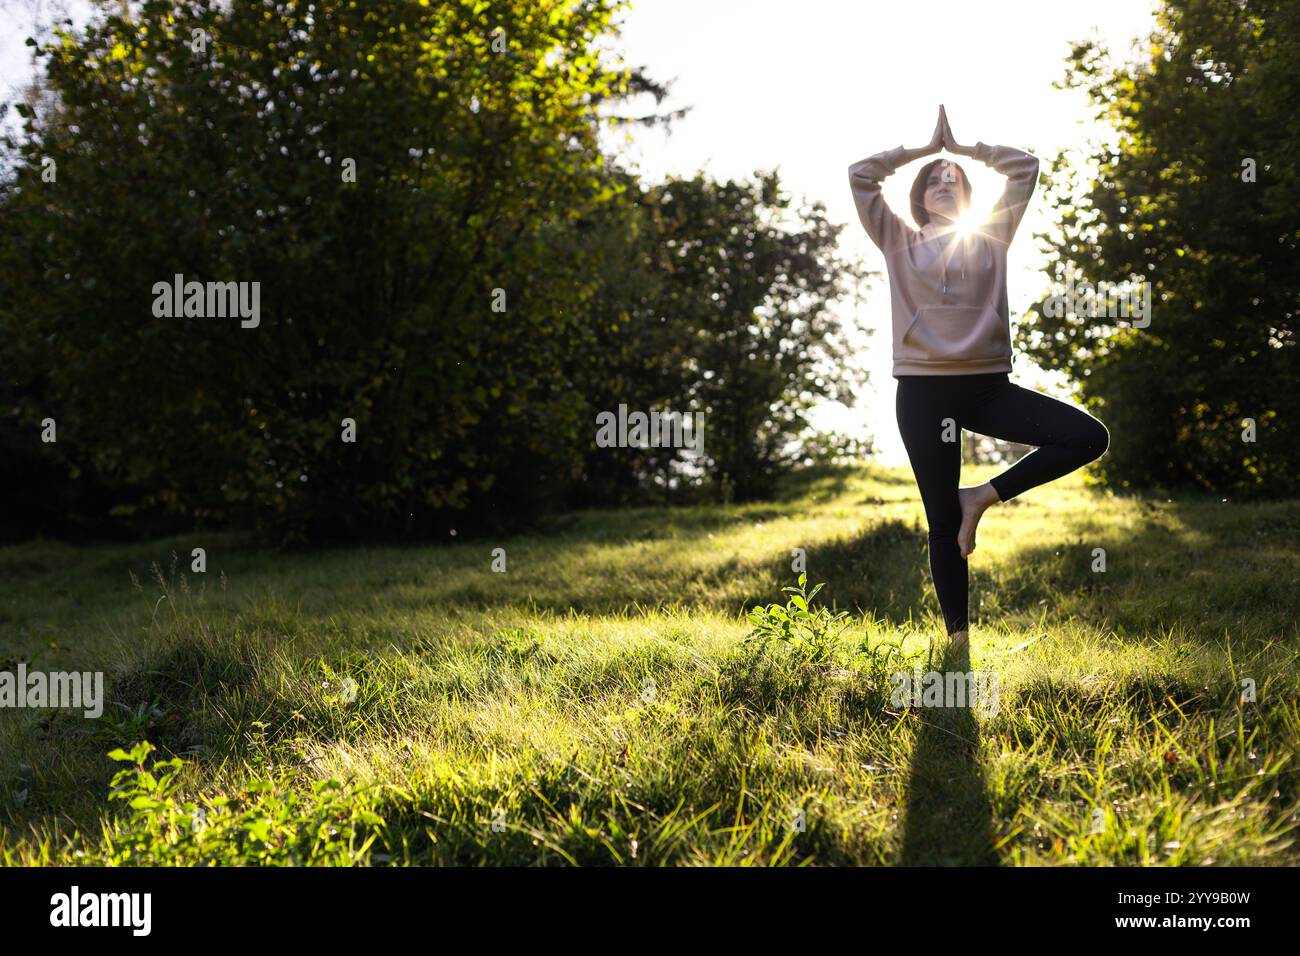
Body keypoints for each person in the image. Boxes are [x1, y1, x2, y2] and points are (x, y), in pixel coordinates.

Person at [847, 105, 1110, 651]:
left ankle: (982, 496)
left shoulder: (993, 235)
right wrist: (922, 151)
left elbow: (1025, 169)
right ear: (919, 196)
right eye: (935, 181)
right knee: (941, 521)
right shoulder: (897, 240)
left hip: (987, 387)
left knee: (1088, 436)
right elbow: (861, 175)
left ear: (969, 197)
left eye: (956, 181)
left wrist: (966, 151)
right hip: (921, 392)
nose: (946, 182)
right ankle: (958, 643)